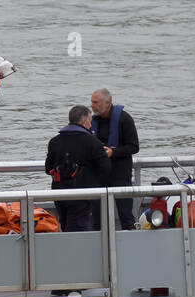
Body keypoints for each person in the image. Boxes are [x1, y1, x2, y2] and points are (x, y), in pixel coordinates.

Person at [45, 104, 110, 232]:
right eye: (90, 122)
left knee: (65, 227)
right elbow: (106, 168)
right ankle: (76, 252)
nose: (91, 126)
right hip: (82, 195)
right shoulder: (93, 142)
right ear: (83, 121)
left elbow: (48, 168)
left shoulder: (54, 141)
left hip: (59, 195)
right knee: (78, 230)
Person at [89, 88, 140, 229]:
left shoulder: (124, 119)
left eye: (95, 102)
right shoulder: (91, 121)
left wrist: (113, 152)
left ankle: (130, 245)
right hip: (98, 177)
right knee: (97, 220)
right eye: (91, 102)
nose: (92, 106)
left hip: (120, 176)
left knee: (126, 217)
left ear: (107, 103)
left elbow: (134, 147)